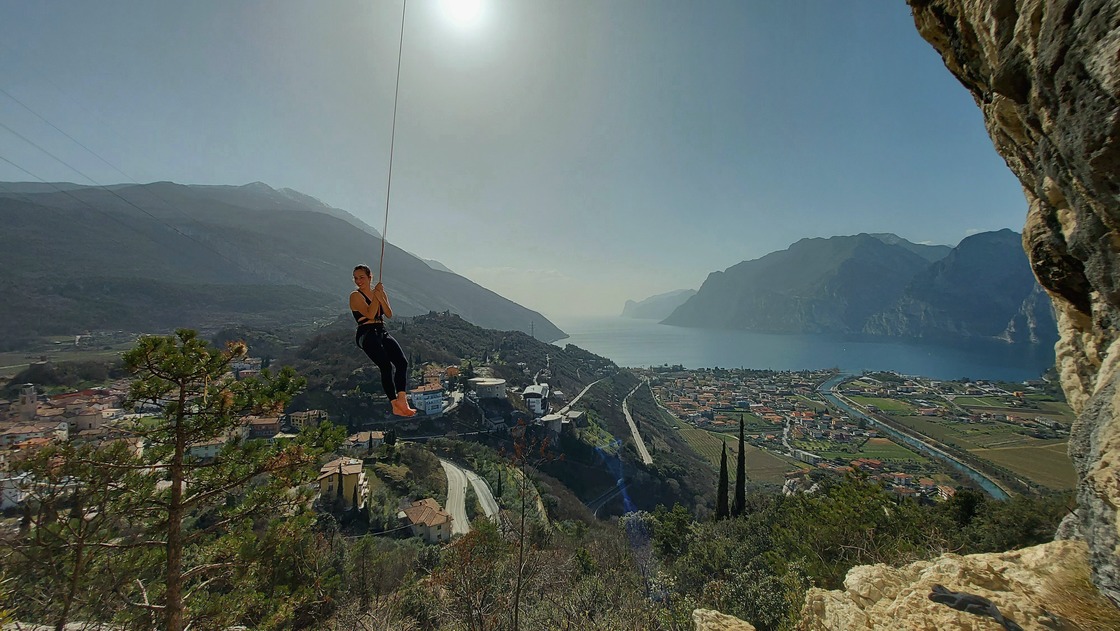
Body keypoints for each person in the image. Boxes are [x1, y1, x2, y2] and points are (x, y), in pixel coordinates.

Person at [350, 264, 416, 417]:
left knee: (402, 362)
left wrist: (380, 296)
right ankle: (394, 403)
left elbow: (388, 313)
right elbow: (370, 314)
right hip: (366, 333)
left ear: (369, 277)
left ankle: (402, 399)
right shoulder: (355, 296)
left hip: (381, 330)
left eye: (362, 277)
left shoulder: (379, 292)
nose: (358, 281)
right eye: (356, 278)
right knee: (385, 366)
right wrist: (376, 298)